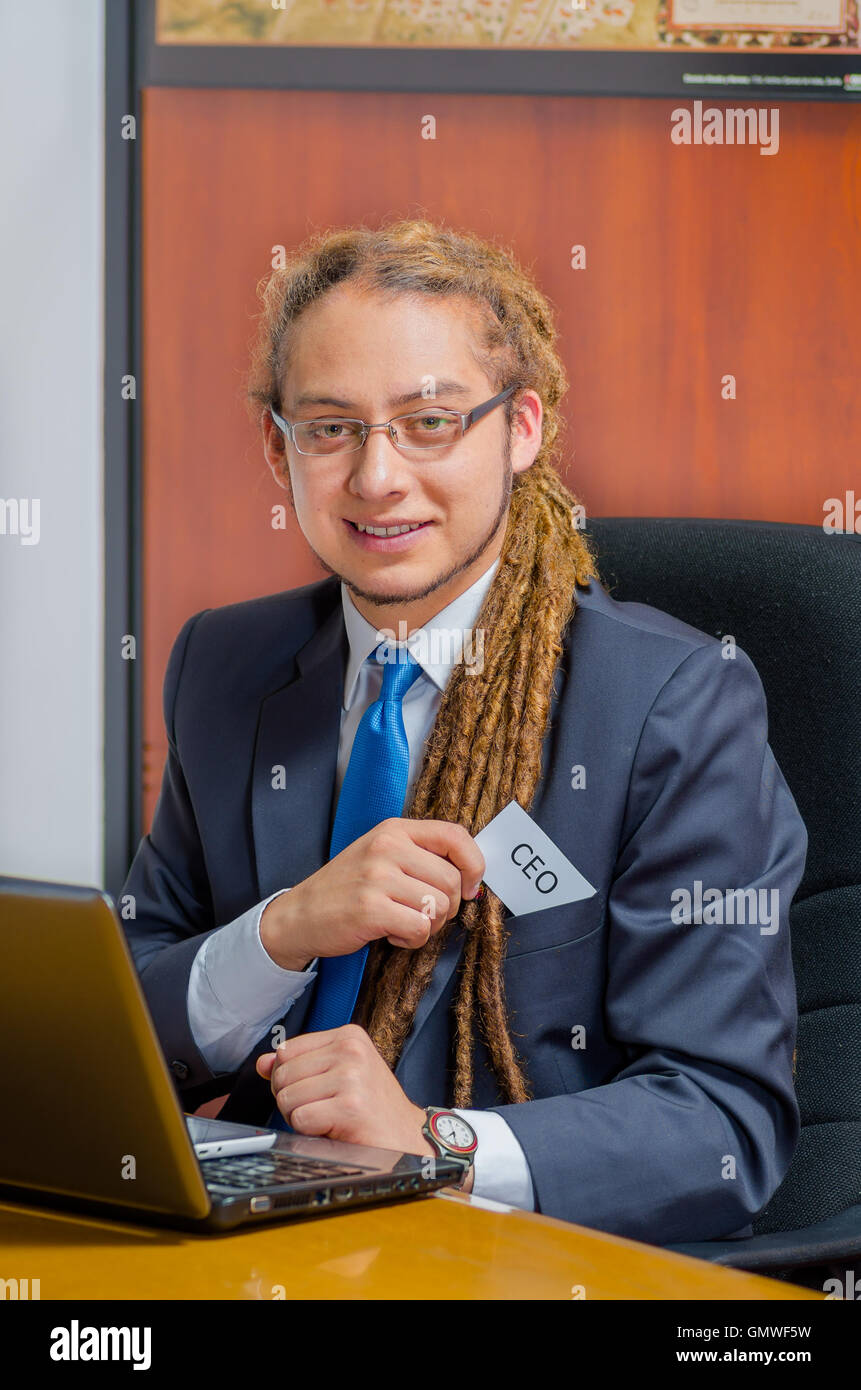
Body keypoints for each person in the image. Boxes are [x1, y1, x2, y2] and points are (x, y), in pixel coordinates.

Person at [121, 217, 808, 1245]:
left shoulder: (673, 703)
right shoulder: (226, 667)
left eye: (430, 421)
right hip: (258, 1247)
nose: (378, 476)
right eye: (330, 427)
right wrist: (282, 931)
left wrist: (432, 1140)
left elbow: (723, 1120)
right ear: (279, 445)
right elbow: (121, 1023)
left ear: (521, 427)